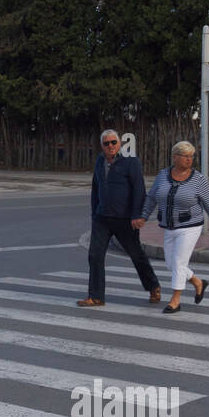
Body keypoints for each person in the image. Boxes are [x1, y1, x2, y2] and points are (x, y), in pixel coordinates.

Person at [135, 142, 209, 313]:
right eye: (185, 156)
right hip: (169, 227)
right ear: (175, 157)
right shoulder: (163, 175)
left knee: (179, 262)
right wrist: (143, 216)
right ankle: (197, 282)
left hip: (190, 226)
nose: (189, 159)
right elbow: (151, 198)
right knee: (172, 265)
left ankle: (175, 300)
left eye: (191, 156)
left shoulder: (198, 179)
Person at [78, 129, 161, 307]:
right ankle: (96, 296)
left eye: (113, 142)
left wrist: (137, 215)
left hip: (124, 219)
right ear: (102, 146)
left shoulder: (131, 163)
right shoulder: (100, 161)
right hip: (102, 218)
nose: (110, 146)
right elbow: (96, 188)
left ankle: (153, 285)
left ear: (119, 144)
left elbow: (139, 190)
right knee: (95, 256)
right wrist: (94, 213)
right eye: (106, 143)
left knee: (136, 255)